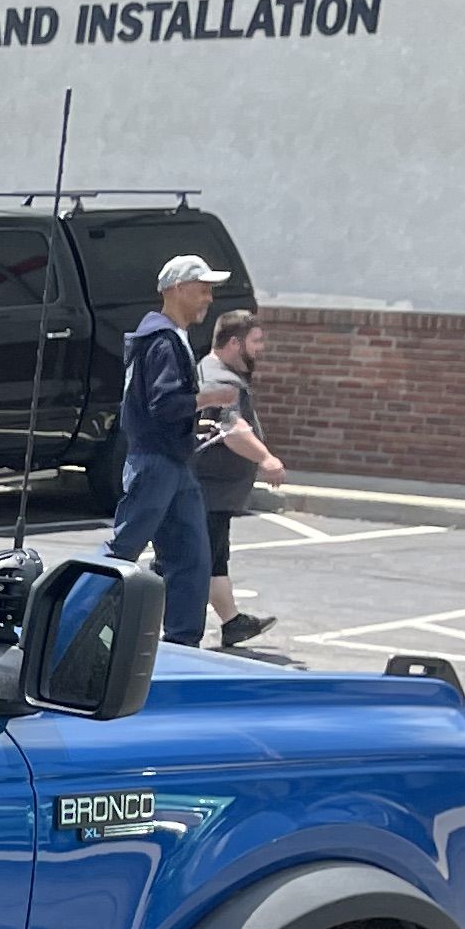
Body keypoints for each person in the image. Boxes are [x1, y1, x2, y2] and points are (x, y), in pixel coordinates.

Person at [104, 252, 222, 645]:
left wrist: (194, 422)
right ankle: (70, 618)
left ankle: (184, 642)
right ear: (176, 289)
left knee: (191, 556)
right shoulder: (163, 341)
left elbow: (159, 407)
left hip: (171, 460)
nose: (208, 298)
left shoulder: (168, 338)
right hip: (157, 463)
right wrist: (206, 399)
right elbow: (165, 402)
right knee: (123, 548)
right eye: (202, 289)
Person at [192, 307, 285, 649]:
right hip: (208, 492)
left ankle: (232, 623)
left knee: (214, 559)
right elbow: (233, 429)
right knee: (187, 561)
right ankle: (165, 628)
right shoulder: (220, 380)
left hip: (214, 493)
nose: (261, 348)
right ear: (235, 343)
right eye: (256, 341)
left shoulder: (214, 371)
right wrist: (267, 459)